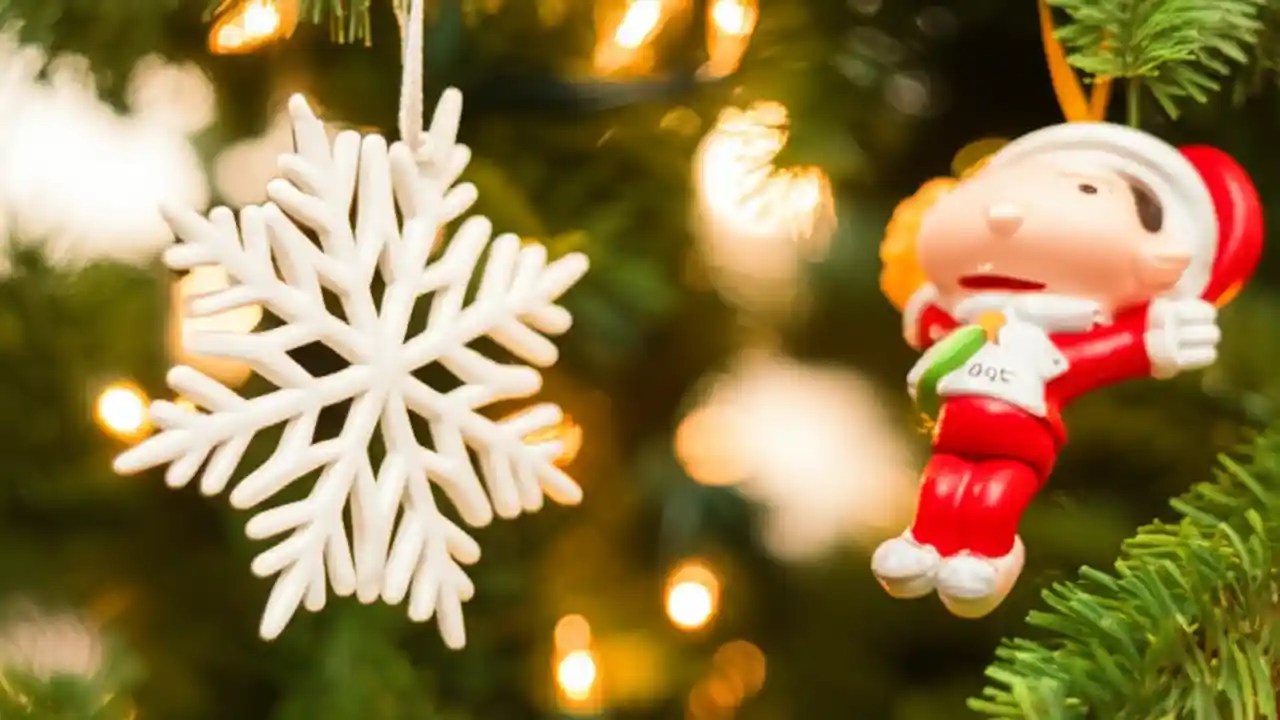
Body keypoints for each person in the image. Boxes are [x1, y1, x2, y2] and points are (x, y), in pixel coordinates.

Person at [871, 122, 1264, 618]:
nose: (1004, 212)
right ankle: (922, 542)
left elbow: (1111, 354)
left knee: (994, 495)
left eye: (1086, 190)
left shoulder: (1070, 328)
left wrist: (1155, 337)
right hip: (955, 429)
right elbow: (935, 327)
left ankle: (989, 556)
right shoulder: (966, 316)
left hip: (1024, 436)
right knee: (941, 485)